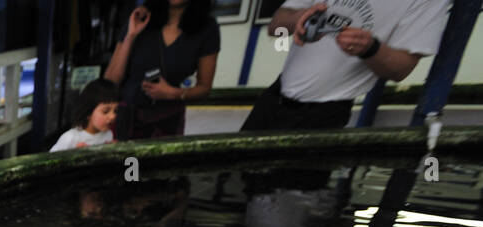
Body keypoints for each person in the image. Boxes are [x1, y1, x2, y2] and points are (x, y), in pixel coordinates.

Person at [241, 0, 449, 131]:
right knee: (235, 180)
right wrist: (299, 19)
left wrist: (370, 48)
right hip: (273, 97)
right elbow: (276, 26)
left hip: (325, 114)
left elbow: (401, 69)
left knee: (295, 193)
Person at [105, 0, 219, 140]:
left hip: (167, 123)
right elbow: (111, 81)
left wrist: (173, 93)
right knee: (127, 162)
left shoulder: (207, 28)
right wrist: (130, 36)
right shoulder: (140, 18)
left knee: (157, 162)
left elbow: (204, 88)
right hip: (124, 119)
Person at [51, 79, 121, 151]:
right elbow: (50, 159)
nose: (113, 116)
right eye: (105, 111)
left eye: (115, 111)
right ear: (88, 112)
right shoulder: (70, 138)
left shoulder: (108, 134)